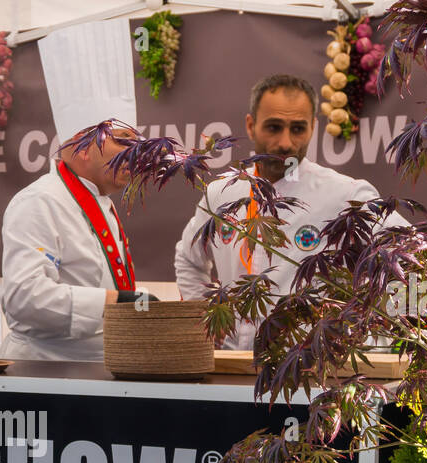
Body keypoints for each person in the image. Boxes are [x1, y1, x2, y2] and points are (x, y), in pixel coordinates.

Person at [174, 73, 408, 350]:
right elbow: (189, 259)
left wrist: (390, 333)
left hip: (307, 371)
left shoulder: (345, 195)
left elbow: (414, 253)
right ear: (251, 126)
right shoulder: (220, 194)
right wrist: (204, 311)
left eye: (297, 129)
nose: (285, 143)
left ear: (312, 127)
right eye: (273, 127)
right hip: (230, 366)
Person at [0, 124, 148, 362]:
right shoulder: (40, 201)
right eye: (123, 142)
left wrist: (142, 308)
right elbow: (24, 297)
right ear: (83, 147)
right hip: (47, 373)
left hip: (100, 370)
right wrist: (116, 302)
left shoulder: (101, 203)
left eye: (139, 145)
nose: (136, 154)